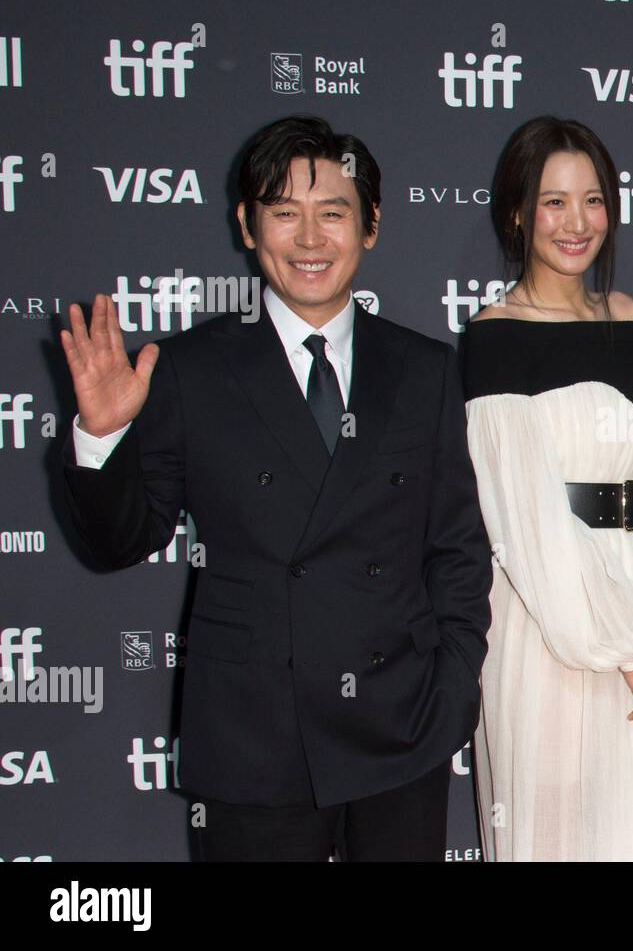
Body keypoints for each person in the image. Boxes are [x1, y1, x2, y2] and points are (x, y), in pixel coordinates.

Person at [58, 115, 492, 861]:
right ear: (248, 226)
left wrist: (453, 688)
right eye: (284, 213)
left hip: (401, 725)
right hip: (254, 733)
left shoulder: (425, 369)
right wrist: (103, 439)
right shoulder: (192, 371)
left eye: (333, 213)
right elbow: (119, 542)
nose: (311, 238)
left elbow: (456, 546)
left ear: (372, 226)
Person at [460, 116, 633, 861]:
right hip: (554, 627)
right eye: (553, 202)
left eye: (594, 200)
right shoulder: (496, 333)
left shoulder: (631, 318)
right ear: (516, 212)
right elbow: (526, 520)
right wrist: (621, 644)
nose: (578, 223)